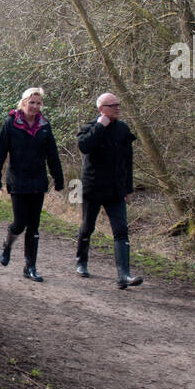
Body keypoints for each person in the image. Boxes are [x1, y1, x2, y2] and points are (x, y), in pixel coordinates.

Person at [0, 87, 64, 281]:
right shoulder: (11, 123)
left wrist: (58, 178)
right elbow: (0, 152)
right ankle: (7, 244)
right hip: (18, 179)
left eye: (38, 103)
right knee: (20, 223)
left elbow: (53, 154)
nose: (35, 106)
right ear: (23, 103)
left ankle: (30, 267)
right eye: (31, 102)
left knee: (34, 225)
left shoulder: (44, 126)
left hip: (38, 180)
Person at [75, 93, 144, 289]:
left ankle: (124, 275)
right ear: (101, 109)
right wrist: (100, 126)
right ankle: (81, 261)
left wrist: (128, 187)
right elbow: (84, 146)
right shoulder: (90, 128)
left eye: (118, 105)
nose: (117, 108)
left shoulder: (123, 129)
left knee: (121, 230)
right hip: (93, 187)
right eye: (112, 105)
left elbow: (128, 161)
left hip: (116, 190)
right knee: (88, 227)